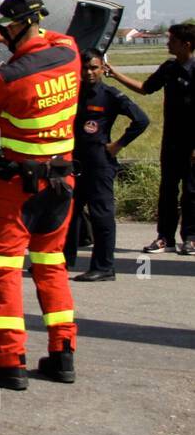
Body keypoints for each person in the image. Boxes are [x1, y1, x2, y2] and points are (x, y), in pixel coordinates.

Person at [0, 0, 80, 390]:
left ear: (11, 27)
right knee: (51, 266)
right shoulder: (70, 53)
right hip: (62, 184)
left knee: (6, 270)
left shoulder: (10, 76)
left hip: (18, 188)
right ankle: (63, 354)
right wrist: (3, 35)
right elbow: (49, 41)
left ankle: (9, 362)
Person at [107, 22, 195, 255]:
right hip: (172, 140)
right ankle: (165, 238)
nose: (168, 43)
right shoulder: (169, 68)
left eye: (172, 40)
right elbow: (145, 88)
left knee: (191, 190)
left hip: (193, 142)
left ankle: (191, 237)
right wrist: (115, 73)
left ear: (186, 44)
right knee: (167, 189)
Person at [65, 49, 149, 280]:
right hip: (74, 162)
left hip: (99, 164)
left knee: (101, 215)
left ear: (103, 68)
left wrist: (118, 145)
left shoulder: (110, 95)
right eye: (85, 68)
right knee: (68, 213)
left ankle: (103, 267)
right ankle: (63, 262)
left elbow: (141, 119)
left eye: (94, 67)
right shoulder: (73, 93)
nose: (89, 72)